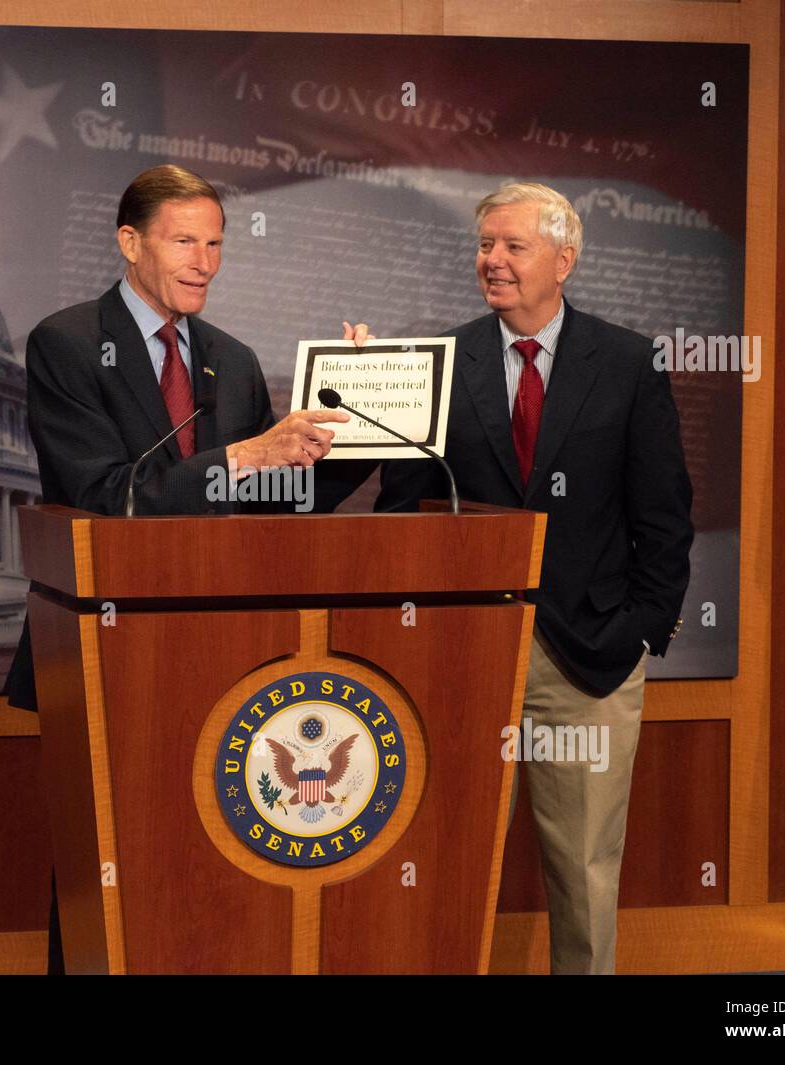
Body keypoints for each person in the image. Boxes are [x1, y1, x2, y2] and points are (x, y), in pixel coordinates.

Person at [318, 182, 693, 973]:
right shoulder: (437, 361)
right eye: (485, 244)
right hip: (460, 658)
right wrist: (355, 395)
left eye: (513, 246)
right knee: (441, 863)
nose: (492, 259)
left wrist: (641, 629)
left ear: (564, 259)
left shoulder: (627, 363)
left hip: (589, 657)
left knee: (585, 870)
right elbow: (399, 512)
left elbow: (663, 515)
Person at [3, 163, 366, 970]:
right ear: (130, 242)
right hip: (110, 652)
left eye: (215, 244)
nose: (204, 262)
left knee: (220, 876)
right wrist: (244, 456)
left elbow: (276, 503)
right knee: (111, 874)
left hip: (230, 659)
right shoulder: (68, 344)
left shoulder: (231, 360)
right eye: (184, 242)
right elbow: (105, 494)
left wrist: (349, 426)